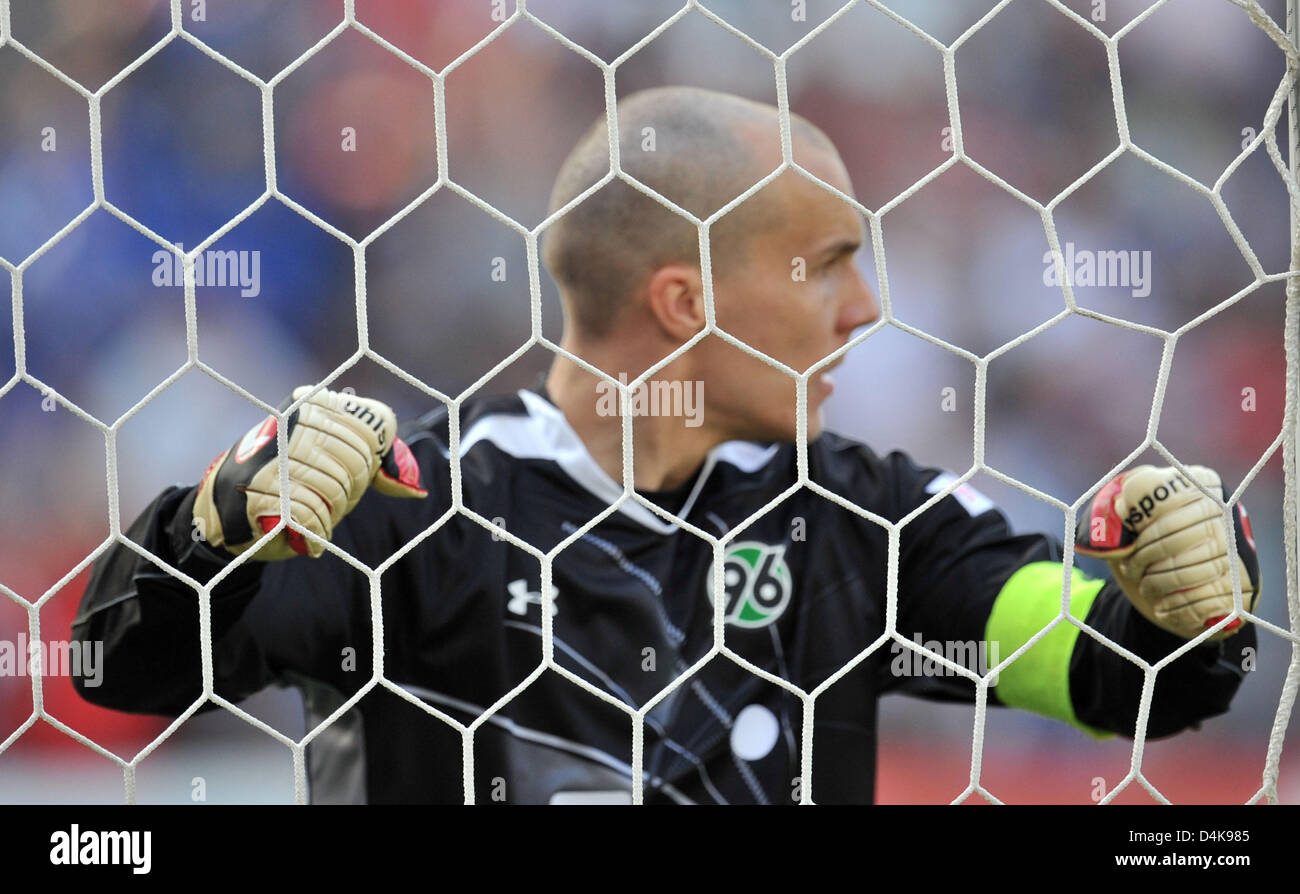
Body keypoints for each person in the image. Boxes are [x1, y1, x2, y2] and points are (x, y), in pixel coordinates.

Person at [72, 87, 1261, 804]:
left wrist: (1186, 601)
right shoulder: (405, 510)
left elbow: (1116, 673)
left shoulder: (861, 525)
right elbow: (114, 672)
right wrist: (211, 525)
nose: (867, 310)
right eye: (830, 262)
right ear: (684, 303)